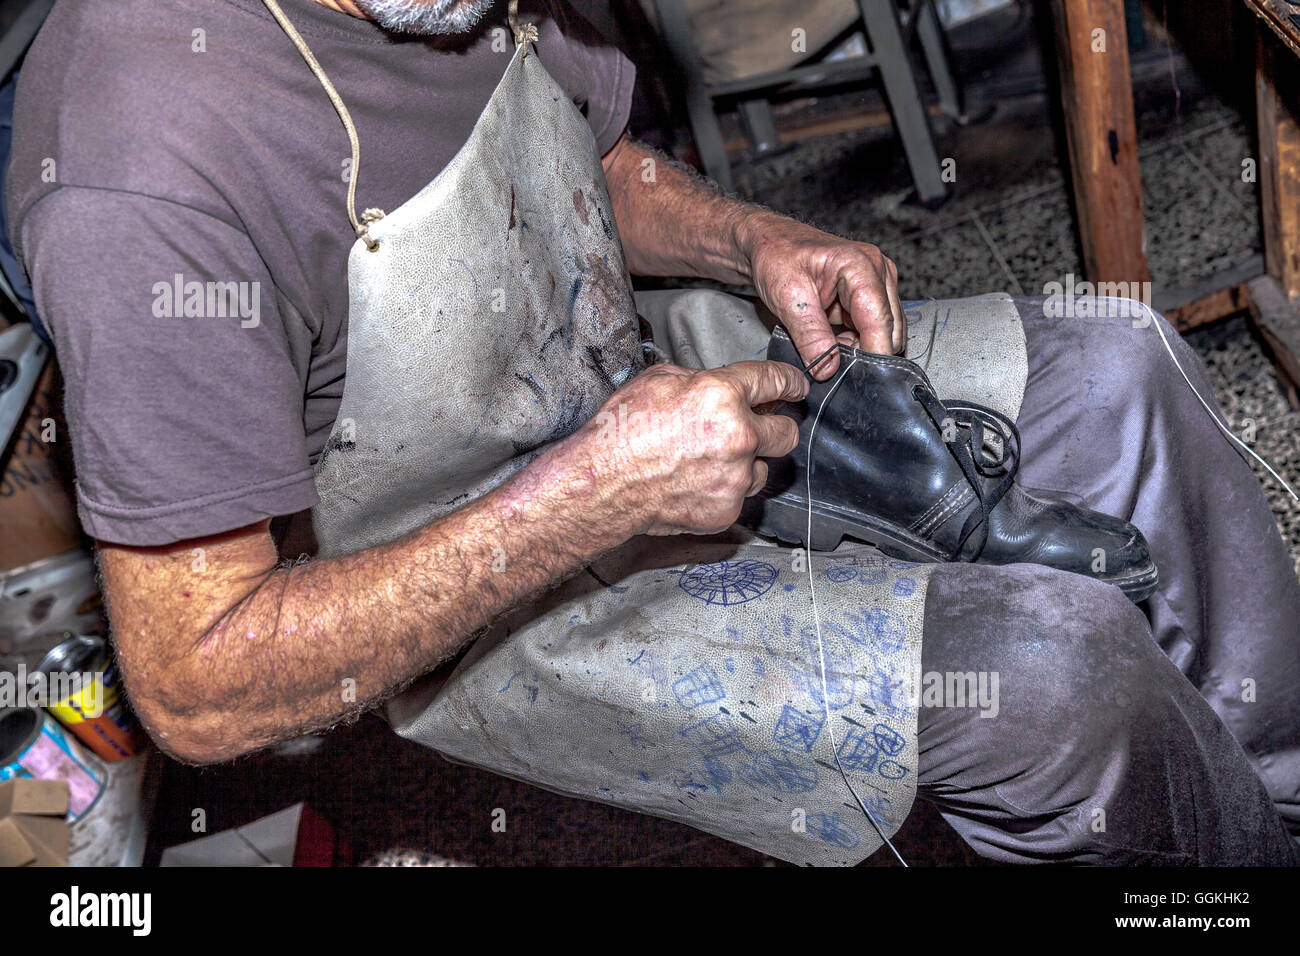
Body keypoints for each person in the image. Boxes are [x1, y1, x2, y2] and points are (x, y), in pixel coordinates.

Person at [8, 0, 1297, 864]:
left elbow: (593, 150)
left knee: (1115, 364)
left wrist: (751, 238)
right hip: (455, 626)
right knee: (1052, 668)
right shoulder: (138, 152)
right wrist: (588, 495)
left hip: (614, 385)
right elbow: (197, 683)